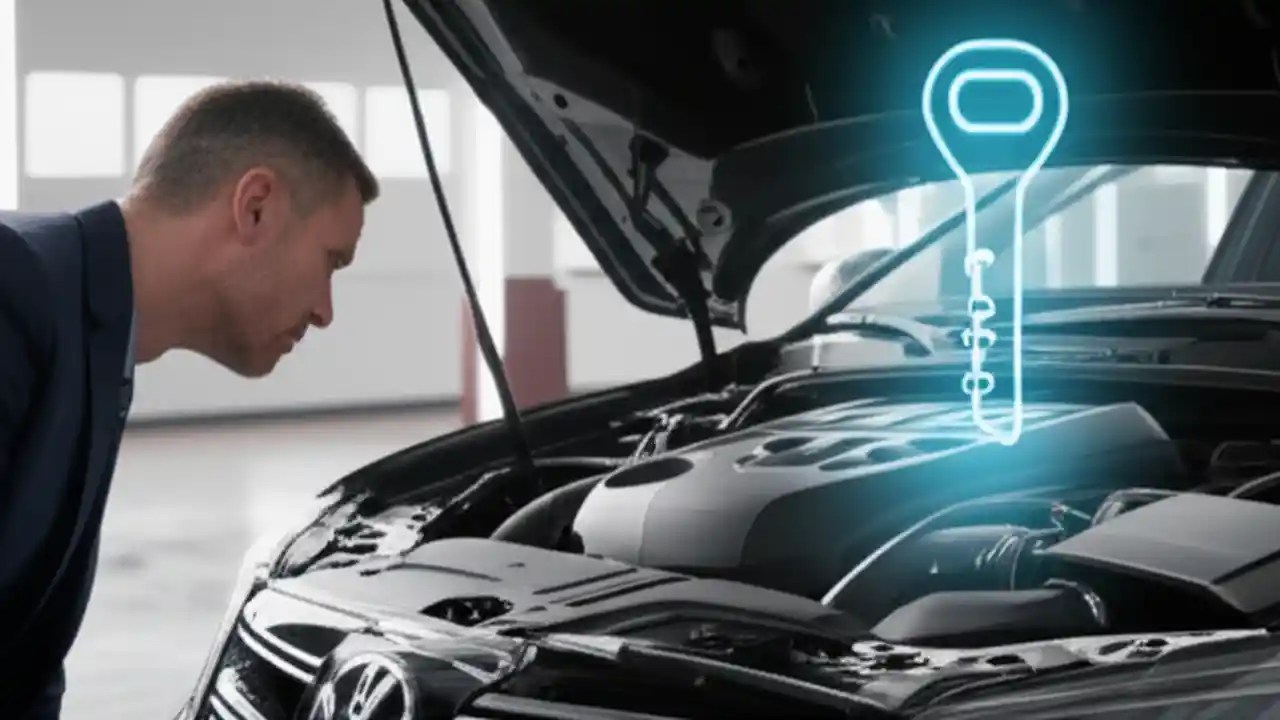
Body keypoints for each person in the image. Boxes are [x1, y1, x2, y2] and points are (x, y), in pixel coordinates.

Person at [0, 80, 380, 718]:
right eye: (330, 261)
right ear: (255, 206)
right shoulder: (14, 288)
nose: (324, 311)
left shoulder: (90, 333)